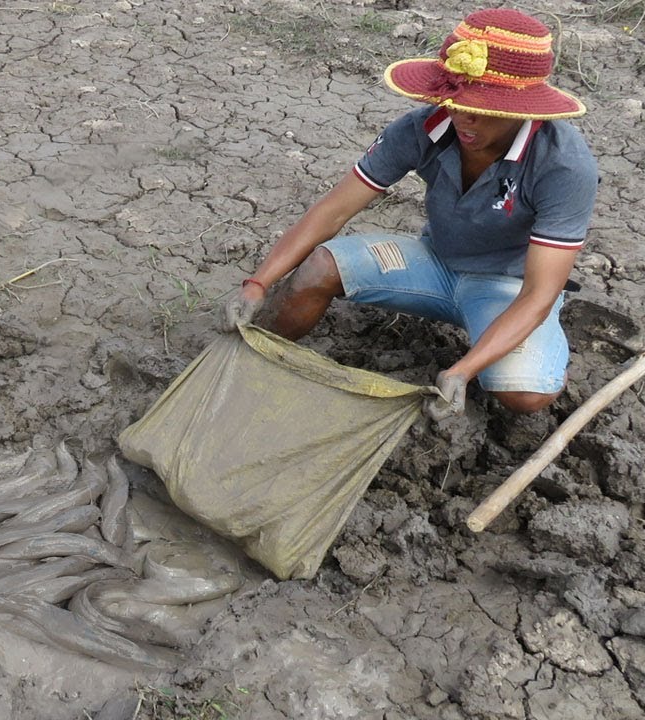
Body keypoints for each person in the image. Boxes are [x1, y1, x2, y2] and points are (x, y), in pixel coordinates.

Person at [221, 8, 597, 422]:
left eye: (482, 108)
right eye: (456, 102)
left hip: (508, 288)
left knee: (524, 394)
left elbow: (539, 293)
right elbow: (332, 211)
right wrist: (258, 283)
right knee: (317, 270)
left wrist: (462, 371)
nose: (463, 117)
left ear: (523, 107)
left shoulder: (563, 165)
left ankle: (543, 350)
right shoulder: (423, 128)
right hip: (435, 262)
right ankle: (259, 359)